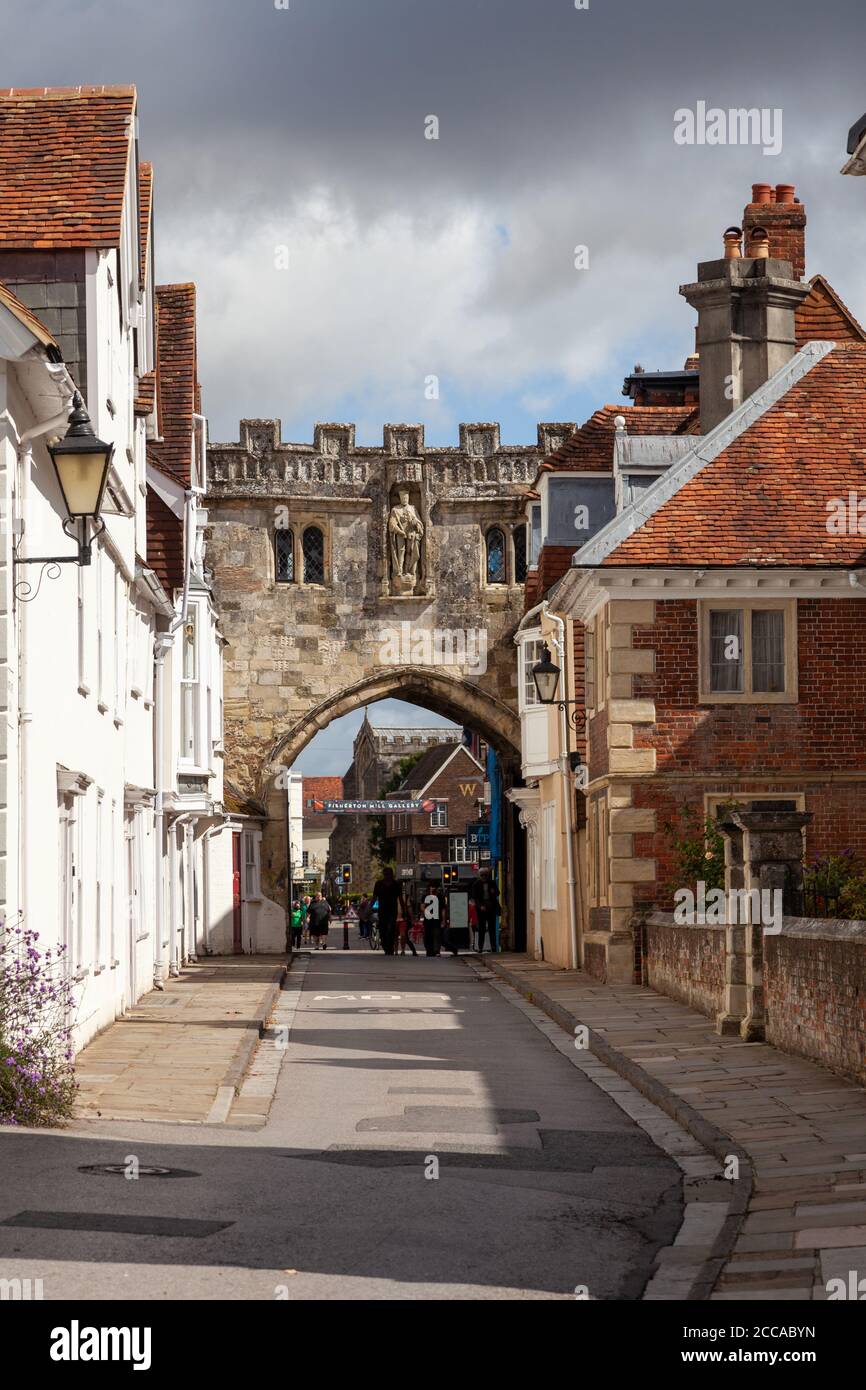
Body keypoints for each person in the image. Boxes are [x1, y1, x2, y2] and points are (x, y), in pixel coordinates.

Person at [372, 866, 406, 956]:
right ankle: (385, 946)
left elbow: (400, 899)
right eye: (386, 874)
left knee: (390, 929)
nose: (388, 876)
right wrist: (370, 908)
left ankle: (390, 948)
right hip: (382, 910)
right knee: (383, 930)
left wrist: (404, 910)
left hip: (392, 910)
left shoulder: (396, 884)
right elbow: (374, 897)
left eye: (389, 874)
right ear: (384, 875)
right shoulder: (378, 884)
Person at [469, 867, 500, 955]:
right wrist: (480, 906)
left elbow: (498, 893)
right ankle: (480, 947)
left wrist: (493, 891)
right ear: (479, 876)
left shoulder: (492, 883)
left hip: (491, 907)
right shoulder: (476, 884)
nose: (484, 877)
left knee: (492, 928)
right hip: (481, 909)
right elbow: (475, 897)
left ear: (488, 875)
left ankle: (493, 947)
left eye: (485, 875)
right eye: (482, 875)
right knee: (481, 928)